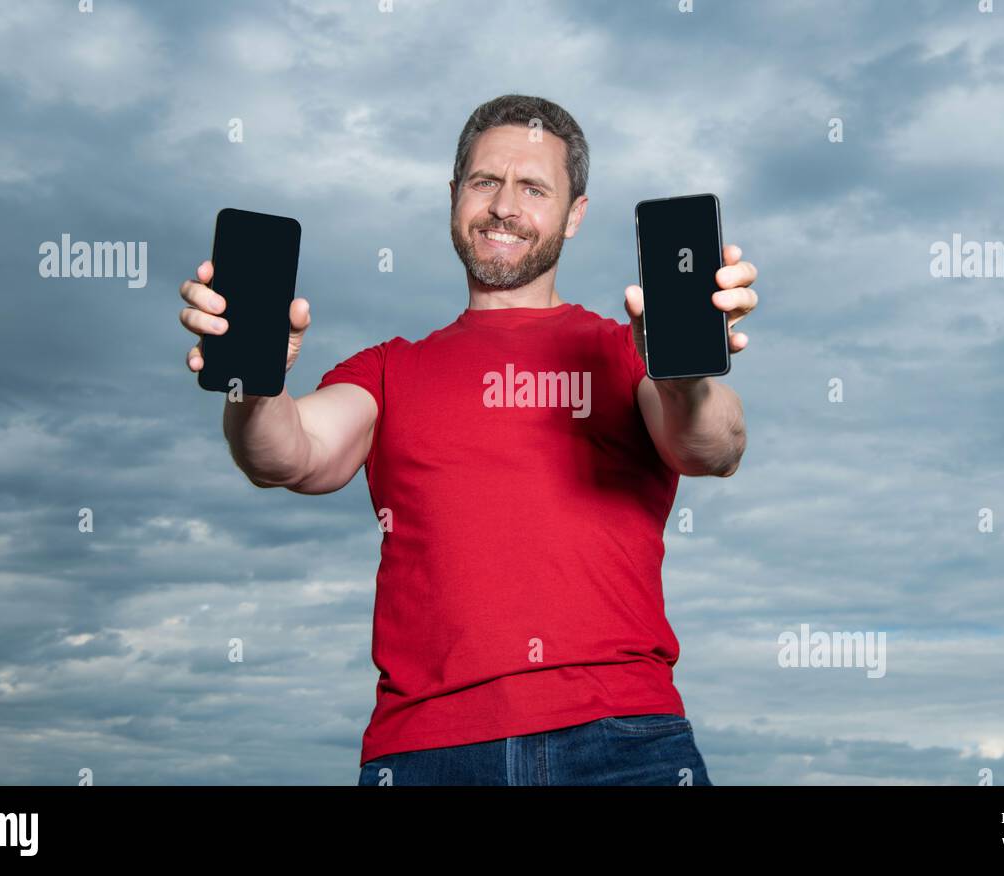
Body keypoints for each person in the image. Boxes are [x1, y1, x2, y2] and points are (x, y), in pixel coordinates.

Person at [178, 94, 758, 785]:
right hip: (425, 749)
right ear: (454, 197)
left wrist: (685, 380)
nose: (505, 207)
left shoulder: (623, 353)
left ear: (574, 214)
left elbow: (712, 448)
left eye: (534, 188)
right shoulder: (388, 369)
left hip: (622, 741)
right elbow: (287, 456)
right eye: (486, 182)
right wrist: (255, 384)